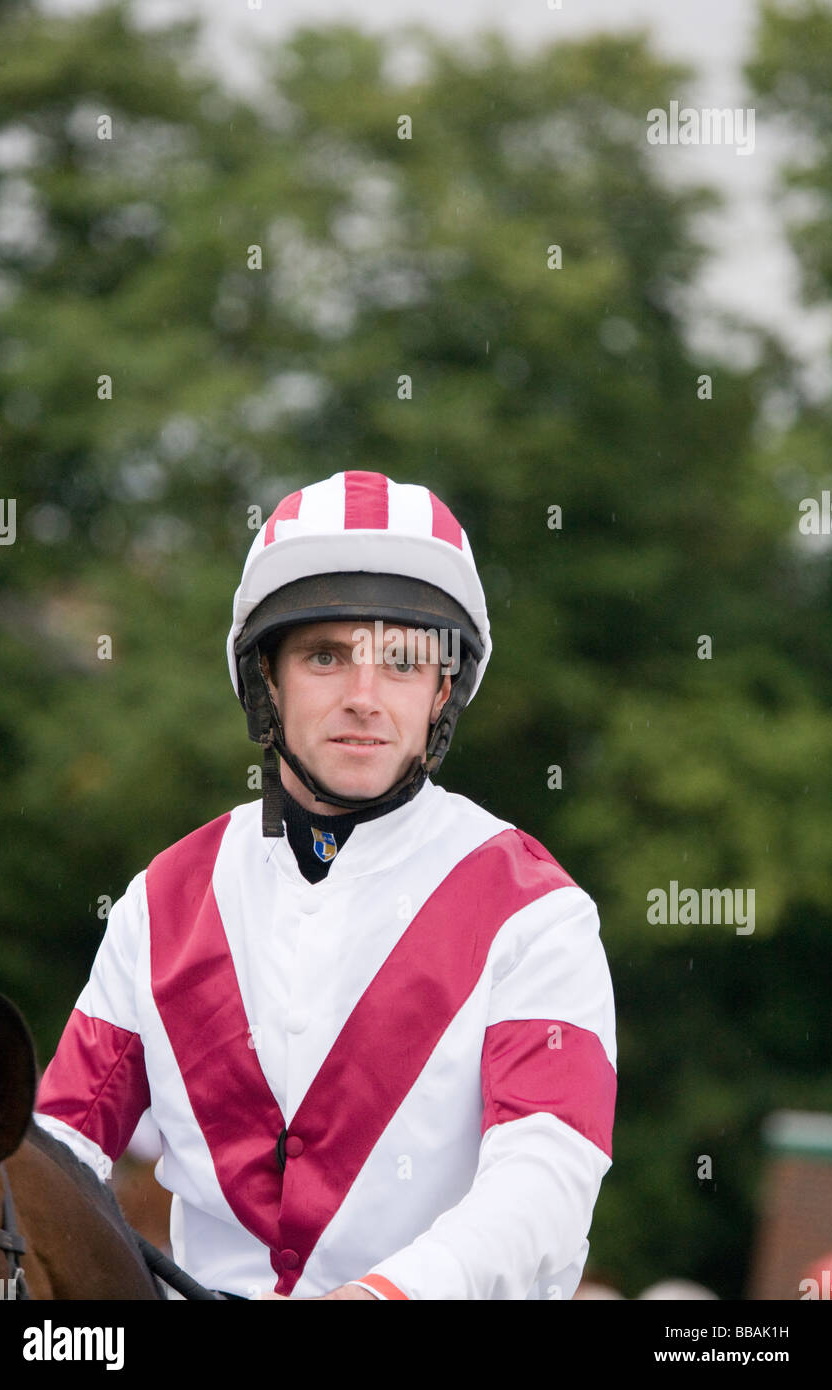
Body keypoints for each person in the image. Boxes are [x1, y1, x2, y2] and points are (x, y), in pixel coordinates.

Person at [33, 469, 617, 1301]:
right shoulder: (160, 901)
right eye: (326, 656)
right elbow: (55, 1151)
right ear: (266, 678)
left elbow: (550, 1172)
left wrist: (391, 1293)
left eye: (404, 663)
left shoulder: (539, 910)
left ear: (442, 691)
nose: (365, 698)